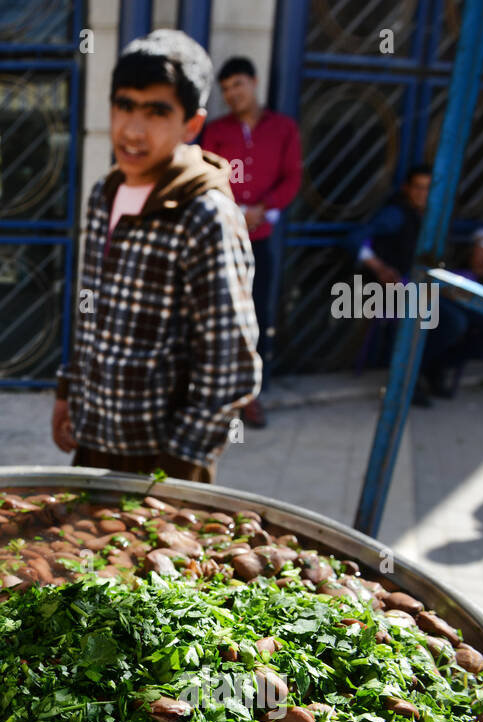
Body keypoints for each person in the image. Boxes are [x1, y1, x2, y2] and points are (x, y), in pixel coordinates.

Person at [52, 30, 261, 484]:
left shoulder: (205, 212)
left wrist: (178, 466)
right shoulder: (104, 194)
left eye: (156, 112)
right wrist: (68, 390)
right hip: (95, 439)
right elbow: (91, 312)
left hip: (161, 459)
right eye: (124, 105)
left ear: (191, 124)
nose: (132, 129)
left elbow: (231, 365)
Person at [345, 163, 483, 405]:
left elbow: (479, 225)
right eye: (418, 187)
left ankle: (434, 366)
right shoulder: (396, 214)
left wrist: (481, 242)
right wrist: (379, 267)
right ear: (406, 188)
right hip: (398, 291)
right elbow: (354, 238)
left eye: (429, 188)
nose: (423, 194)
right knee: (452, 322)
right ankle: (406, 377)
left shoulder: (438, 215)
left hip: (437, 290)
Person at [201, 56, 303, 430]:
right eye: (225, 89)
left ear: (254, 82)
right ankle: (213, 393)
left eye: (237, 85)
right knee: (215, 311)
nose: (231, 94)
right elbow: (208, 174)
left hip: (260, 238)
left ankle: (250, 396)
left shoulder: (283, 129)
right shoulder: (217, 130)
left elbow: (292, 177)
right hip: (221, 237)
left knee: (256, 314)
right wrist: (232, 209)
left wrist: (263, 209)